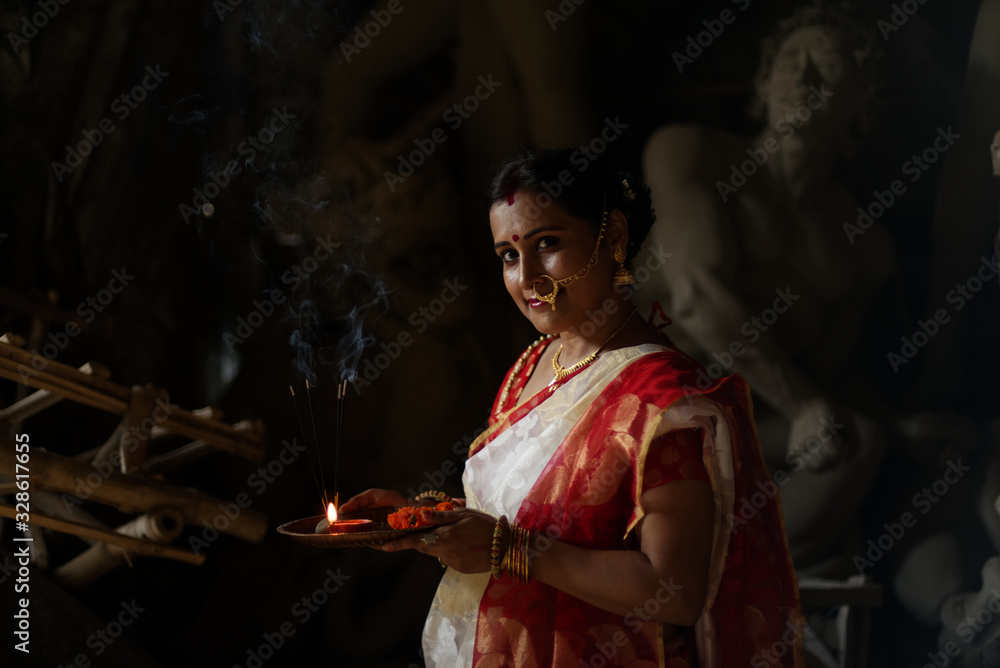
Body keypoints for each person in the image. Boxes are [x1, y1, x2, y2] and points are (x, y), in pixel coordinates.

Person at [342, 149, 803, 667]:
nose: (527, 276)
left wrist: (508, 550)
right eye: (509, 256)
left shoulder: (665, 399)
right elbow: (523, 515)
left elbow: (674, 593)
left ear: (613, 239)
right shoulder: (532, 365)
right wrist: (423, 516)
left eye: (548, 244)